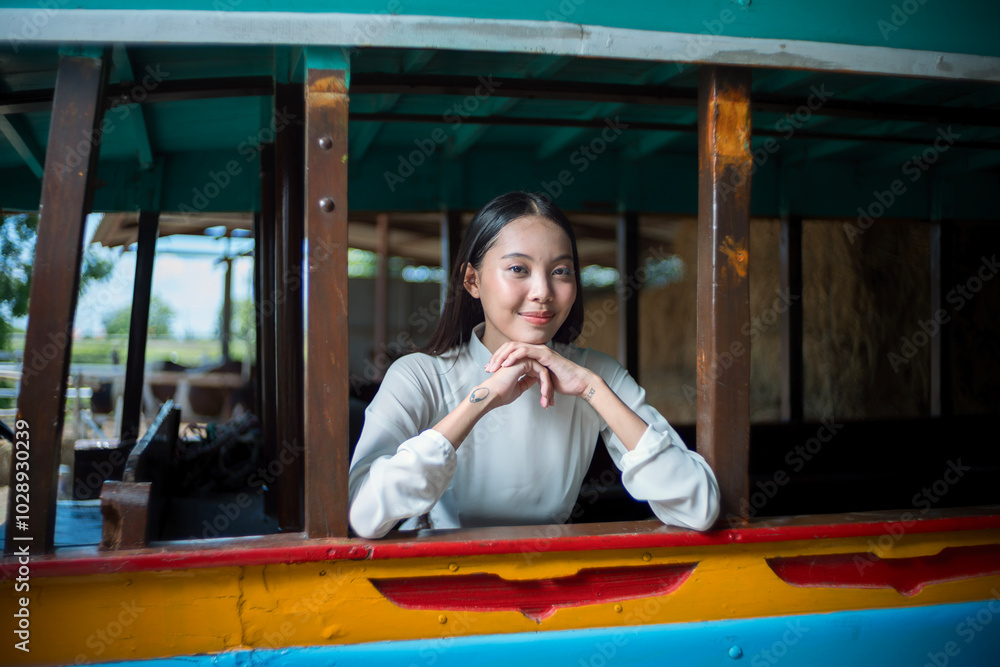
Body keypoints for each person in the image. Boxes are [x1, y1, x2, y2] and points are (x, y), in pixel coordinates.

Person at [348, 191, 719, 539]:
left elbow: (699, 507)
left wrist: (592, 389)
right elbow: (364, 515)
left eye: (561, 271)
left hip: (553, 577)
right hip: (445, 580)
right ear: (472, 280)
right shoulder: (420, 376)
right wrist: (484, 398)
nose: (543, 291)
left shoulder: (596, 375)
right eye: (518, 269)